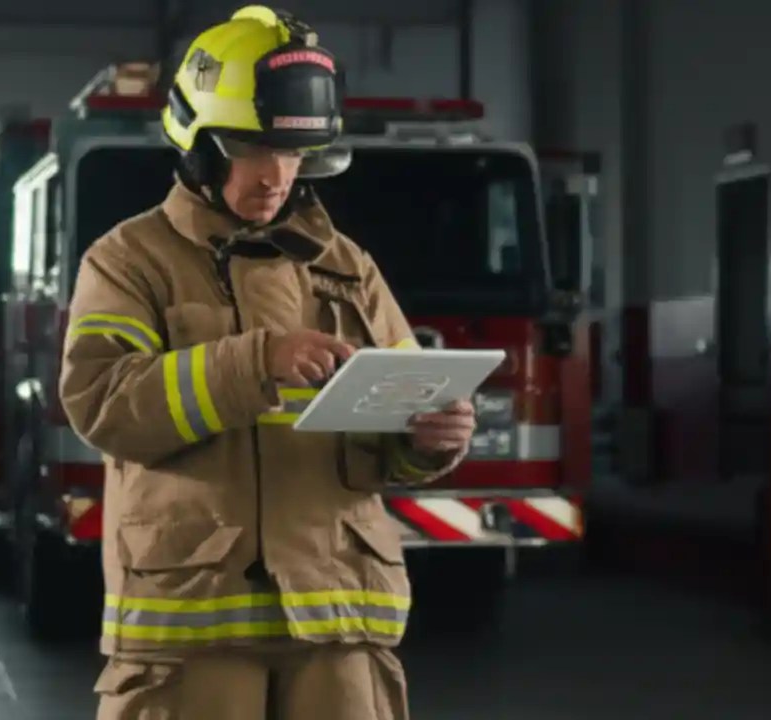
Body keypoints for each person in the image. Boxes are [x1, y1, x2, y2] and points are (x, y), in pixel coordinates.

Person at [59, 6, 476, 718]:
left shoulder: (348, 266)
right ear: (198, 146)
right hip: (195, 622)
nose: (275, 178)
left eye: (294, 156)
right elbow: (100, 402)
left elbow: (397, 423)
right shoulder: (130, 260)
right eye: (252, 151)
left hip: (340, 614)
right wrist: (258, 362)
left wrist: (428, 439)